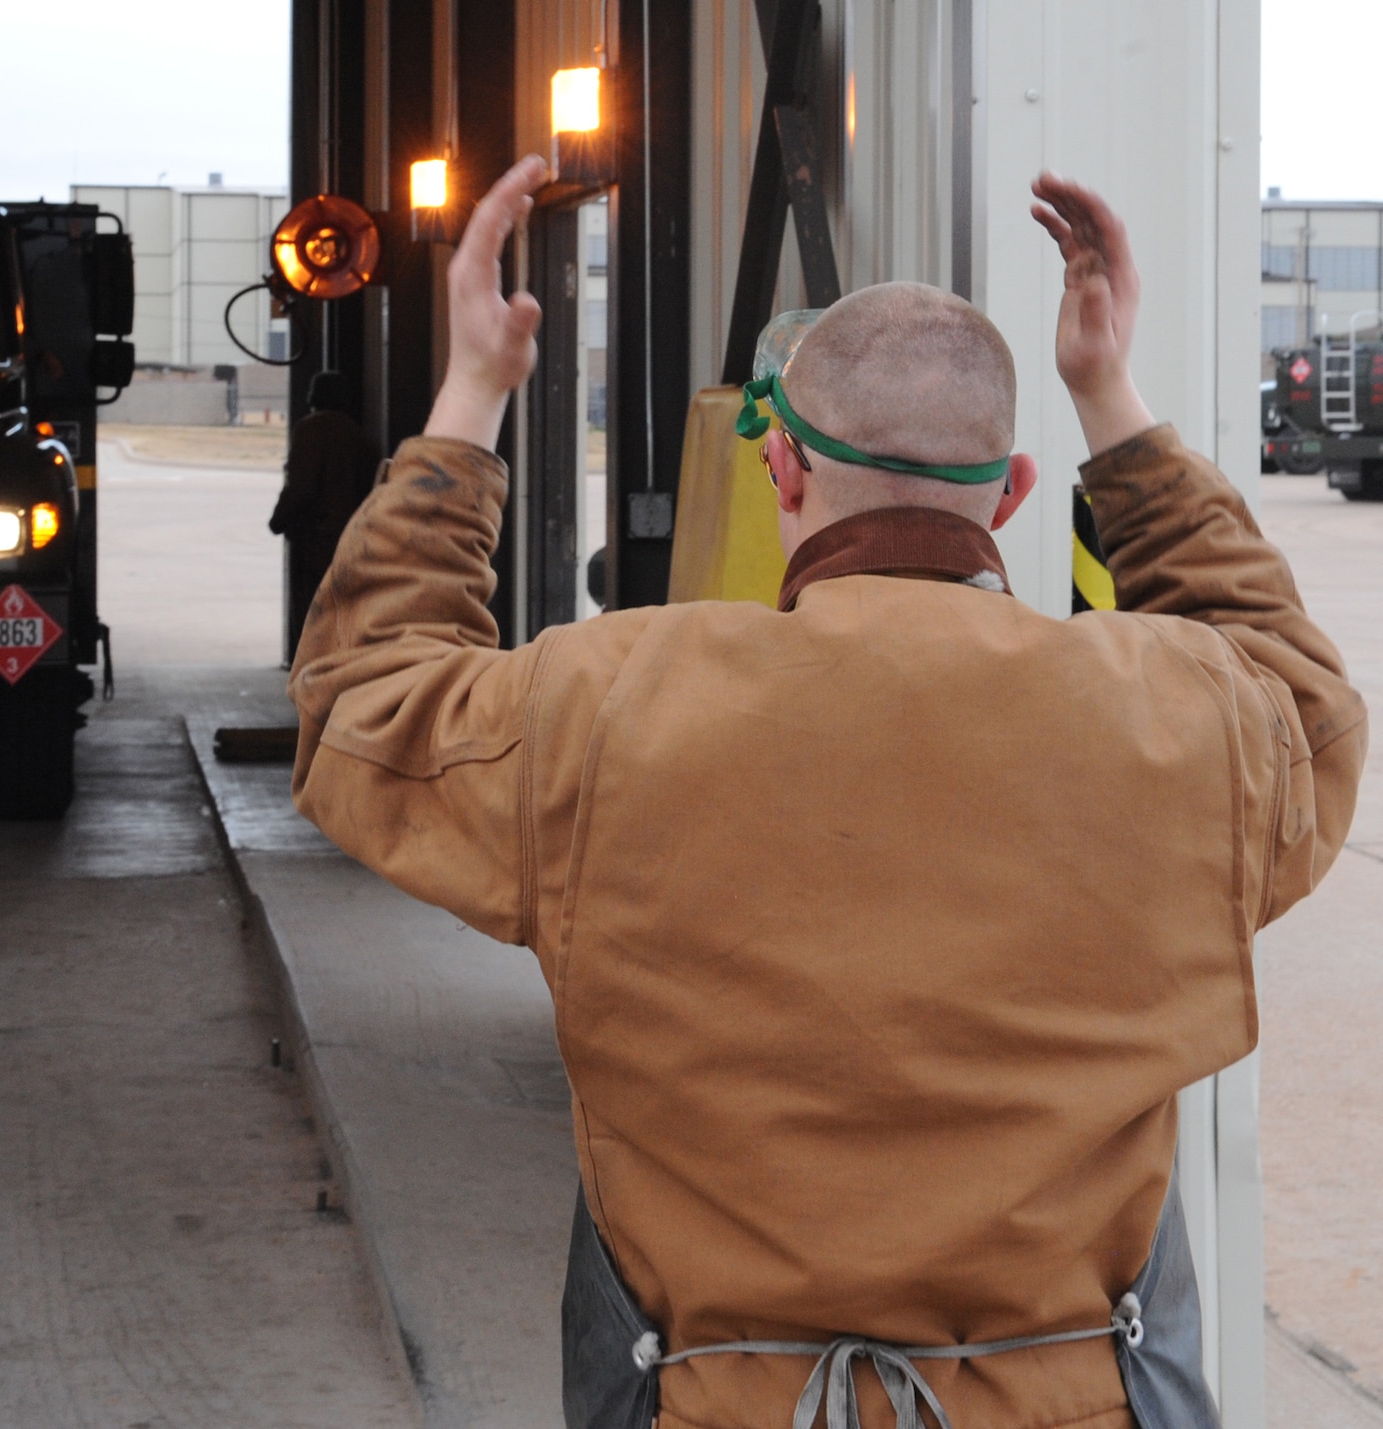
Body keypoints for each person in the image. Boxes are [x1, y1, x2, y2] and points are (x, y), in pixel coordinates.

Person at [287, 155, 1366, 1429]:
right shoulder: (1178, 720)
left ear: (781, 472)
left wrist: (470, 399)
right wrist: (1111, 404)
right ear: (1011, 495)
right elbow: (1304, 703)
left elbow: (363, 702)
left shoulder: (609, 702)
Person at [271, 370, 380, 663]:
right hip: (353, 542)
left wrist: (278, 519)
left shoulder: (311, 430)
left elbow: (301, 487)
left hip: (314, 541)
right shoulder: (361, 437)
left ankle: (309, 672)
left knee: (311, 614)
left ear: (314, 398)